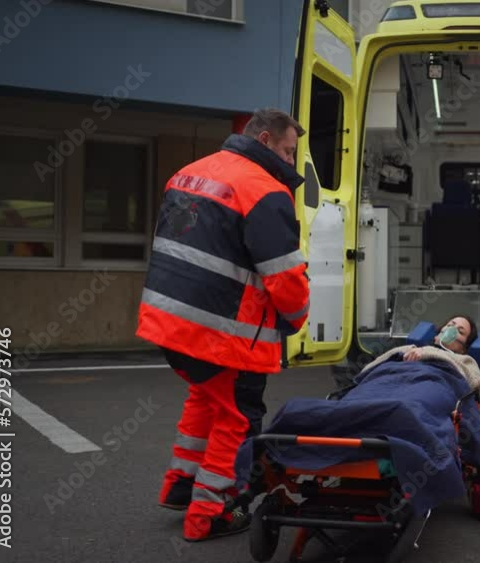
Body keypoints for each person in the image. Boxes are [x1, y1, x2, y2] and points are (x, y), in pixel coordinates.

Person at [136, 108, 310, 542]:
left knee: (205, 399)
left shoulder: (189, 173)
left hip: (169, 321)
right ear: (265, 140)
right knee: (234, 417)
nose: (291, 163)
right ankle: (207, 515)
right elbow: (284, 277)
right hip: (219, 331)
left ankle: (181, 483)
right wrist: (298, 316)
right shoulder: (265, 190)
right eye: (288, 151)